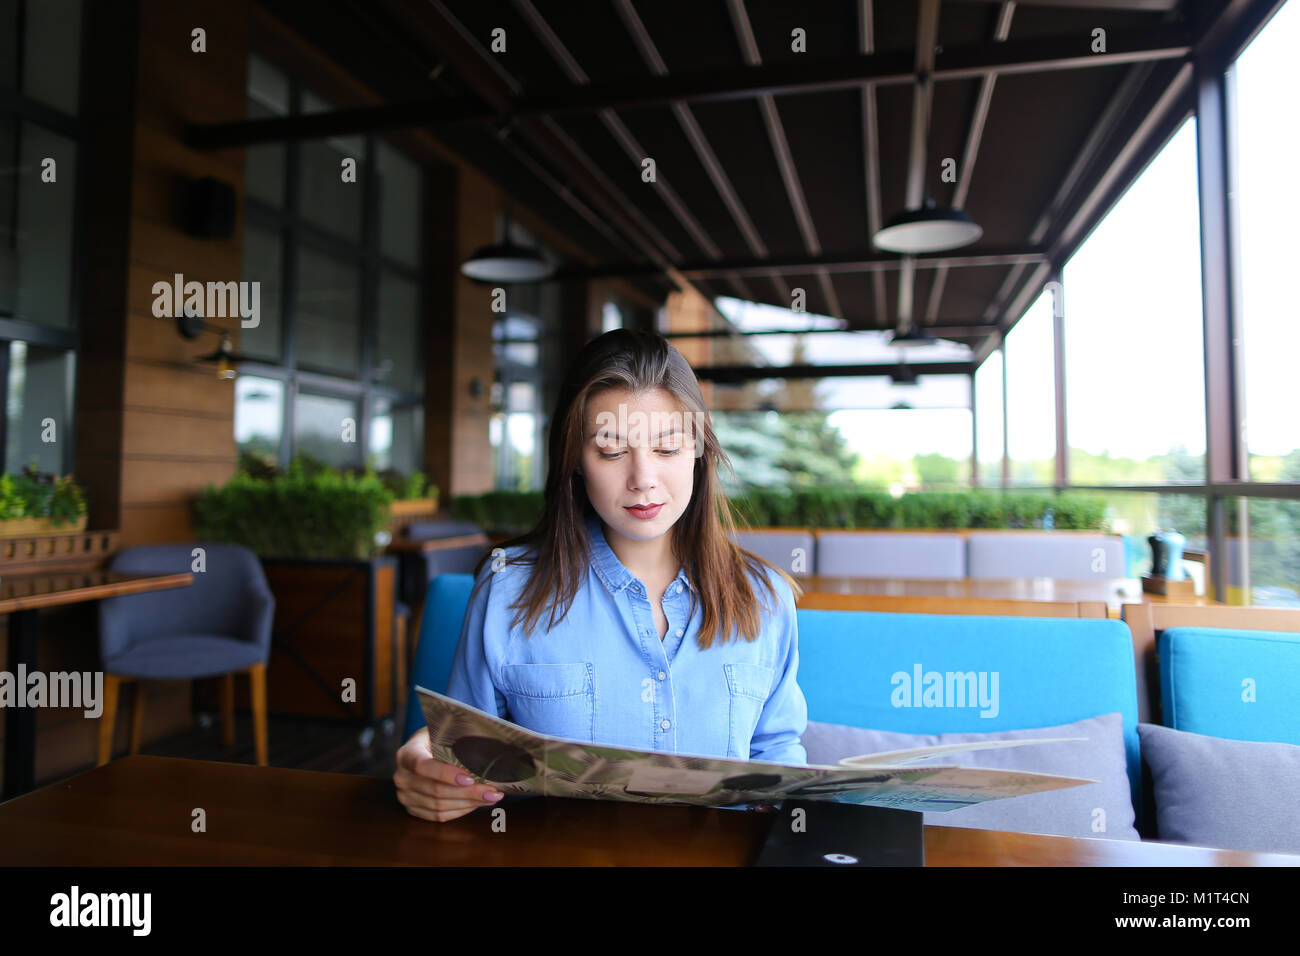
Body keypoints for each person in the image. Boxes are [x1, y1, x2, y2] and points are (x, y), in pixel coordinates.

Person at [394, 328, 807, 822]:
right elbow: (465, 745)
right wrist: (424, 757)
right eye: (611, 451)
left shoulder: (766, 598)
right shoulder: (509, 590)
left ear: (699, 451)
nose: (643, 478)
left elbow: (776, 748)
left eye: (668, 448)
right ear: (574, 461)